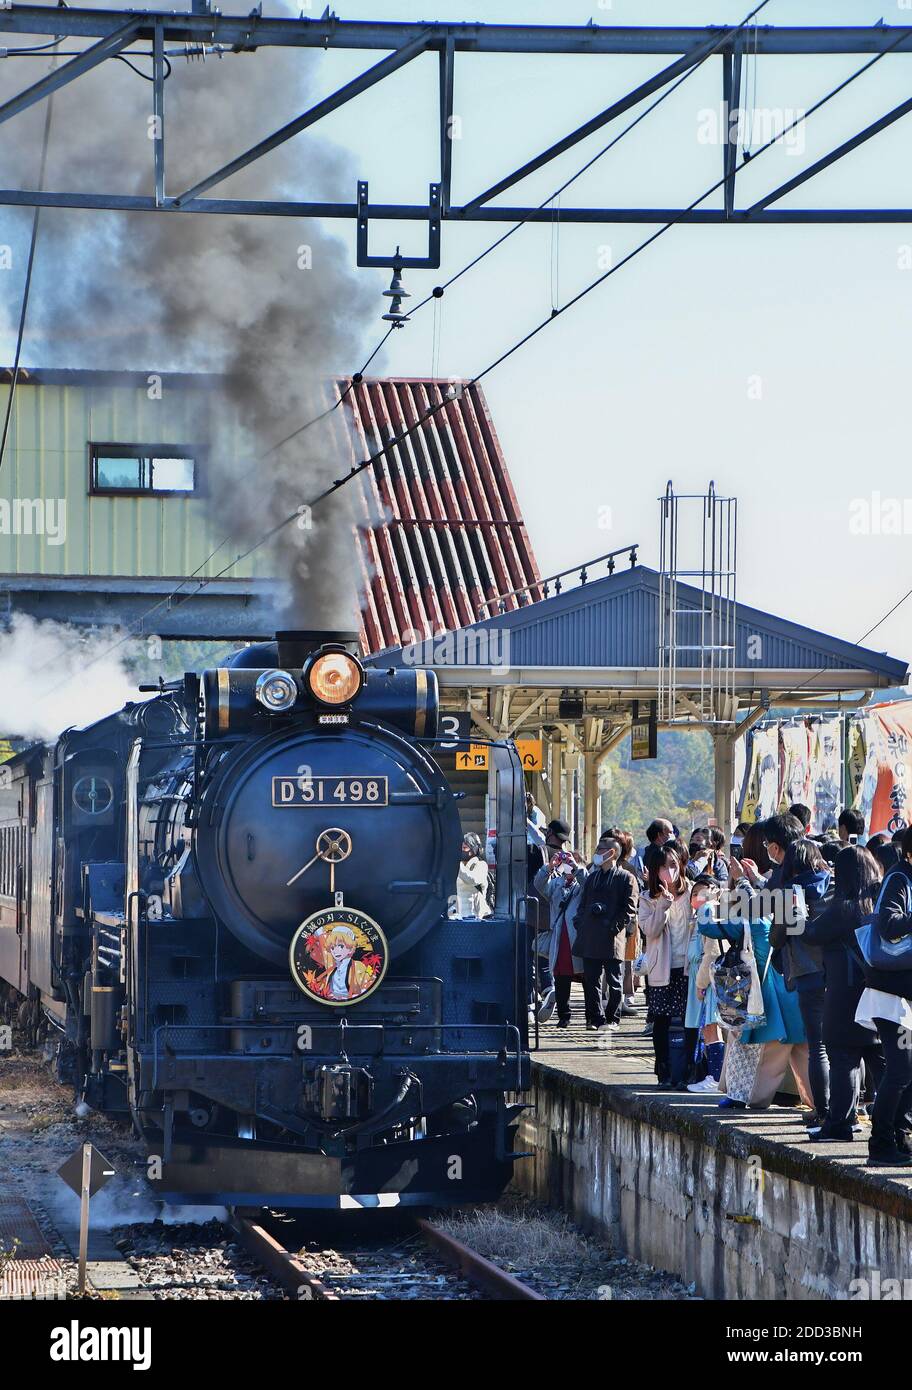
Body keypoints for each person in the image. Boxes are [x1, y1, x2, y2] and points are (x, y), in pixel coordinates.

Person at [802, 846, 884, 1143]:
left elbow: (812, 933)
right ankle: (893, 1123)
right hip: (879, 992)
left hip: (844, 994)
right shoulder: (879, 902)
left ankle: (839, 1124)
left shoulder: (844, 906)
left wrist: (798, 912)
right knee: (881, 1059)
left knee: (843, 1056)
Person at [855, 825, 912, 1166]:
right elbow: (889, 924)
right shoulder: (899, 878)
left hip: (903, 995)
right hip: (891, 994)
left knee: (909, 1069)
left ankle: (900, 1138)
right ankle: (881, 1145)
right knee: (902, 1069)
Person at [771, 835, 831, 1130]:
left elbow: (776, 938)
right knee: (843, 1047)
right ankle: (848, 1109)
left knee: (817, 1046)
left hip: (808, 975)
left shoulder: (788, 893)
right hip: (839, 975)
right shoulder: (833, 884)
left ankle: (823, 1112)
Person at [638, 842, 693, 1083]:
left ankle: (688, 1071)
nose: (669, 871)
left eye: (673, 865)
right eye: (662, 867)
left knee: (689, 1021)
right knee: (661, 1020)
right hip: (662, 968)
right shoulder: (648, 899)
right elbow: (649, 930)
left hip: (689, 966)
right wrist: (663, 905)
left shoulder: (693, 891)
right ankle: (663, 1071)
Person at [573, 834, 637, 1032]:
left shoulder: (626, 877)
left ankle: (612, 1019)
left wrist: (614, 926)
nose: (596, 853)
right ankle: (595, 1018)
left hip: (612, 939)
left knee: (614, 981)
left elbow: (629, 908)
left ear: (612, 853)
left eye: (600, 850)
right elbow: (582, 904)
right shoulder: (592, 877)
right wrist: (581, 922)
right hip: (590, 936)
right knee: (590, 981)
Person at [533, 849, 587, 1028]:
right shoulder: (556, 883)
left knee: (586, 977)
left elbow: (589, 882)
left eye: (570, 863)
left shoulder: (581, 885)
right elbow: (539, 884)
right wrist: (549, 866)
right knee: (561, 977)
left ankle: (592, 1015)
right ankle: (564, 1015)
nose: (567, 866)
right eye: (566, 863)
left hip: (578, 936)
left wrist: (576, 866)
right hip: (559, 936)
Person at [685, 875, 726, 1094]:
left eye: (704, 891)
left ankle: (715, 1077)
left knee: (711, 1028)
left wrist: (701, 983)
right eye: (695, 892)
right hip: (705, 978)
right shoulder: (703, 913)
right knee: (708, 1028)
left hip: (709, 980)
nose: (699, 896)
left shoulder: (710, 911)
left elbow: (712, 952)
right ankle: (715, 1076)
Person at [610, 827, 642, 1012]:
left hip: (622, 922)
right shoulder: (628, 869)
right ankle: (616, 999)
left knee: (623, 961)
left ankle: (618, 998)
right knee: (619, 962)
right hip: (621, 921)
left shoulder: (628, 869)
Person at [456, 833, 492, 919]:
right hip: (461, 917)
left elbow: (473, 880)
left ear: (474, 850)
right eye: (460, 848)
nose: (461, 850)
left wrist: (457, 864)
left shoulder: (481, 865)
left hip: (477, 917)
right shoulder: (459, 867)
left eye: (465, 848)